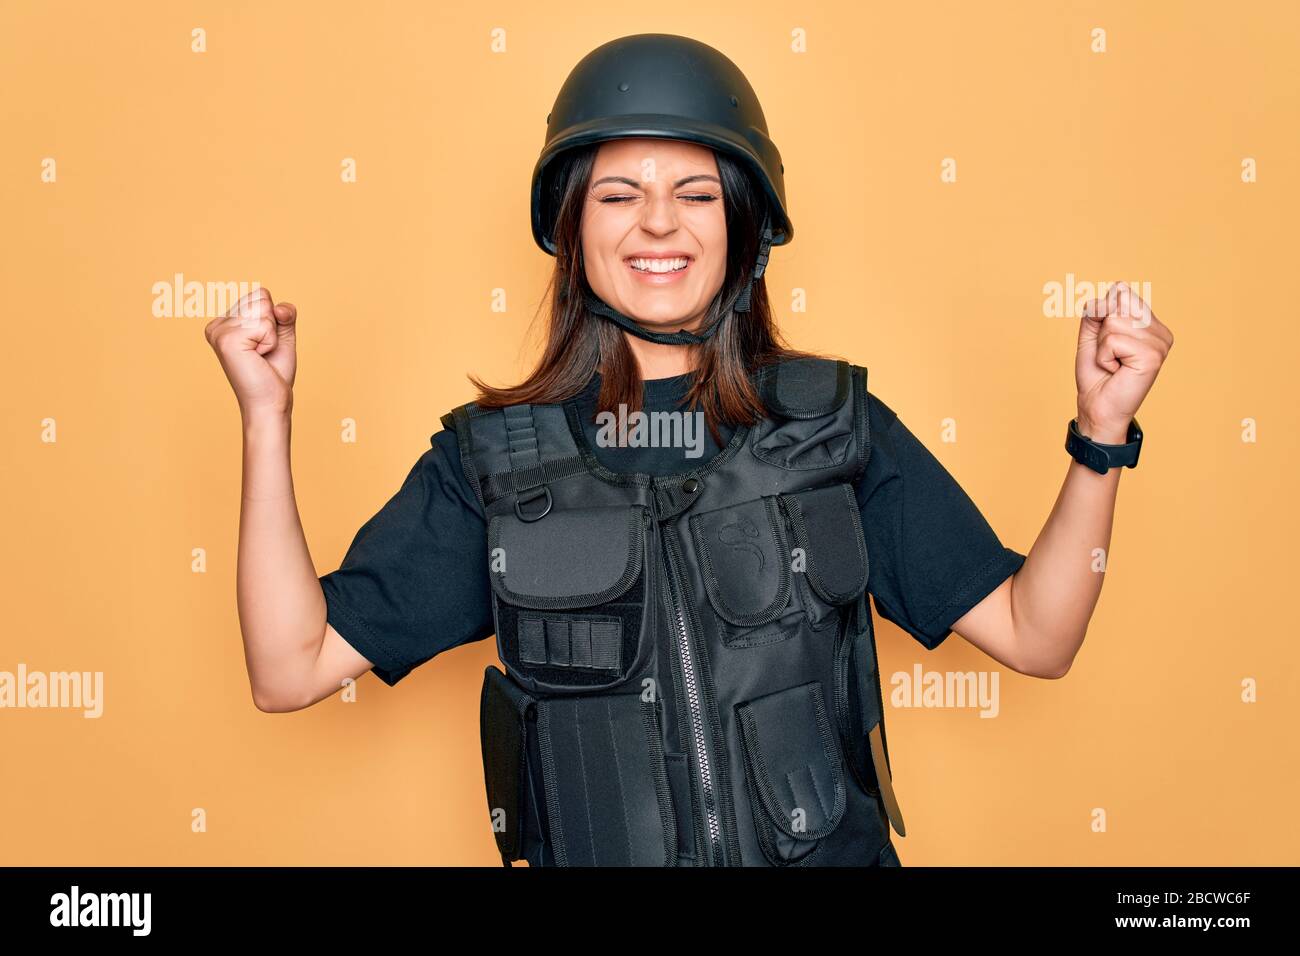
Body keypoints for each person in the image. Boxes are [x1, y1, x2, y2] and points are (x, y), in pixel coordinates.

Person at [204, 33, 1173, 867]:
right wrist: (266, 415)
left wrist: (1100, 431)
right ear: (571, 228)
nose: (658, 222)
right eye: (619, 193)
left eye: (696, 193)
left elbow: (1035, 636)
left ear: (742, 226)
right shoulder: (492, 462)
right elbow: (289, 669)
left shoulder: (831, 421)